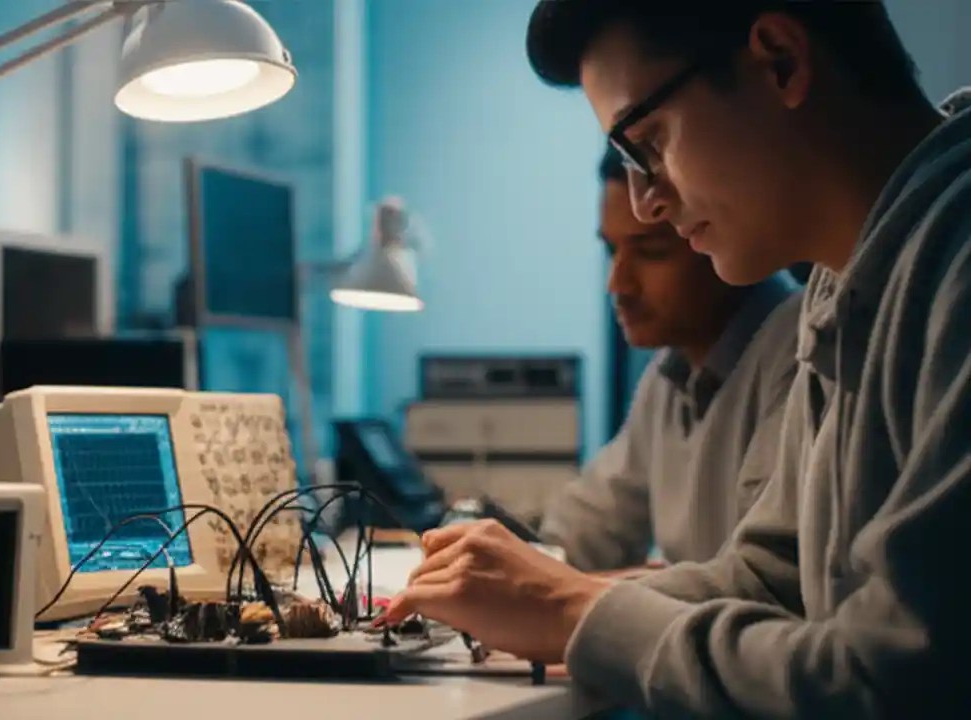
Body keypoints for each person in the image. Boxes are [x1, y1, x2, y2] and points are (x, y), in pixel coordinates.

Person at [384, 1, 971, 715]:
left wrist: (576, 615)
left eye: (648, 143)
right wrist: (540, 594)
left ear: (779, 60)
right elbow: (766, 579)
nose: (647, 200)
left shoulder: (954, 267)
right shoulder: (847, 281)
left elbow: (897, 684)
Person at [540, 146, 800, 574]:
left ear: (713, 233)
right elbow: (590, 526)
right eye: (612, 250)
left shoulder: (799, 357)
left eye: (651, 251)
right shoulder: (669, 374)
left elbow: (762, 592)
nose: (618, 284)